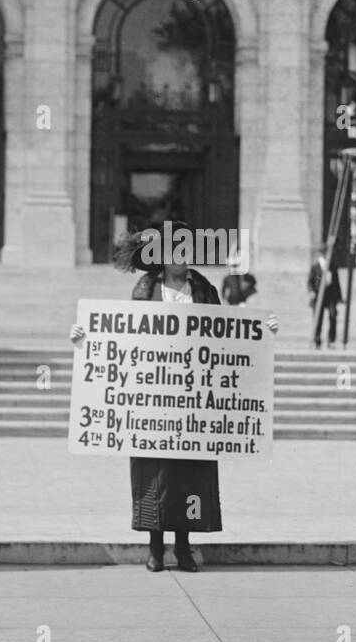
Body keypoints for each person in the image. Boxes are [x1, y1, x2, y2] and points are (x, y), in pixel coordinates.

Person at [70, 221, 278, 572]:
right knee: (155, 476)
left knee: (188, 476)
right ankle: (155, 549)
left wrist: (263, 332)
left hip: (192, 403)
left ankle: (183, 548)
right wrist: (82, 338)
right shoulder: (144, 291)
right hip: (154, 404)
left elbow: (228, 336)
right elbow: (120, 340)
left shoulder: (204, 289)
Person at [307, 245, 342, 349]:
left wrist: (339, 296)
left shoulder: (332, 266)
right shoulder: (315, 266)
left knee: (333, 315)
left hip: (330, 294)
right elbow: (310, 281)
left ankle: (331, 340)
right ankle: (317, 340)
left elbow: (336, 282)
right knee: (318, 317)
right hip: (318, 295)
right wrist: (311, 291)